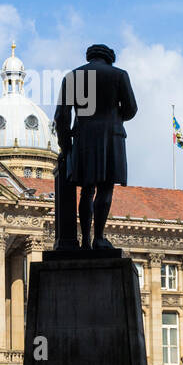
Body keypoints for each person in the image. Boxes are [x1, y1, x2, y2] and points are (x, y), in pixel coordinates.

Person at [53, 43, 137, 249]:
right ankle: (99, 237)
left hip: (84, 137)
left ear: (89, 57)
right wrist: (115, 118)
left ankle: (86, 241)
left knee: (87, 190)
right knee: (106, 188)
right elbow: (132, 109)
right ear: (109, 58)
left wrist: (66, 146)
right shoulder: (119, 75)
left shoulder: (73, 76)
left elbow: (61, 116)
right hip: (111, 136)